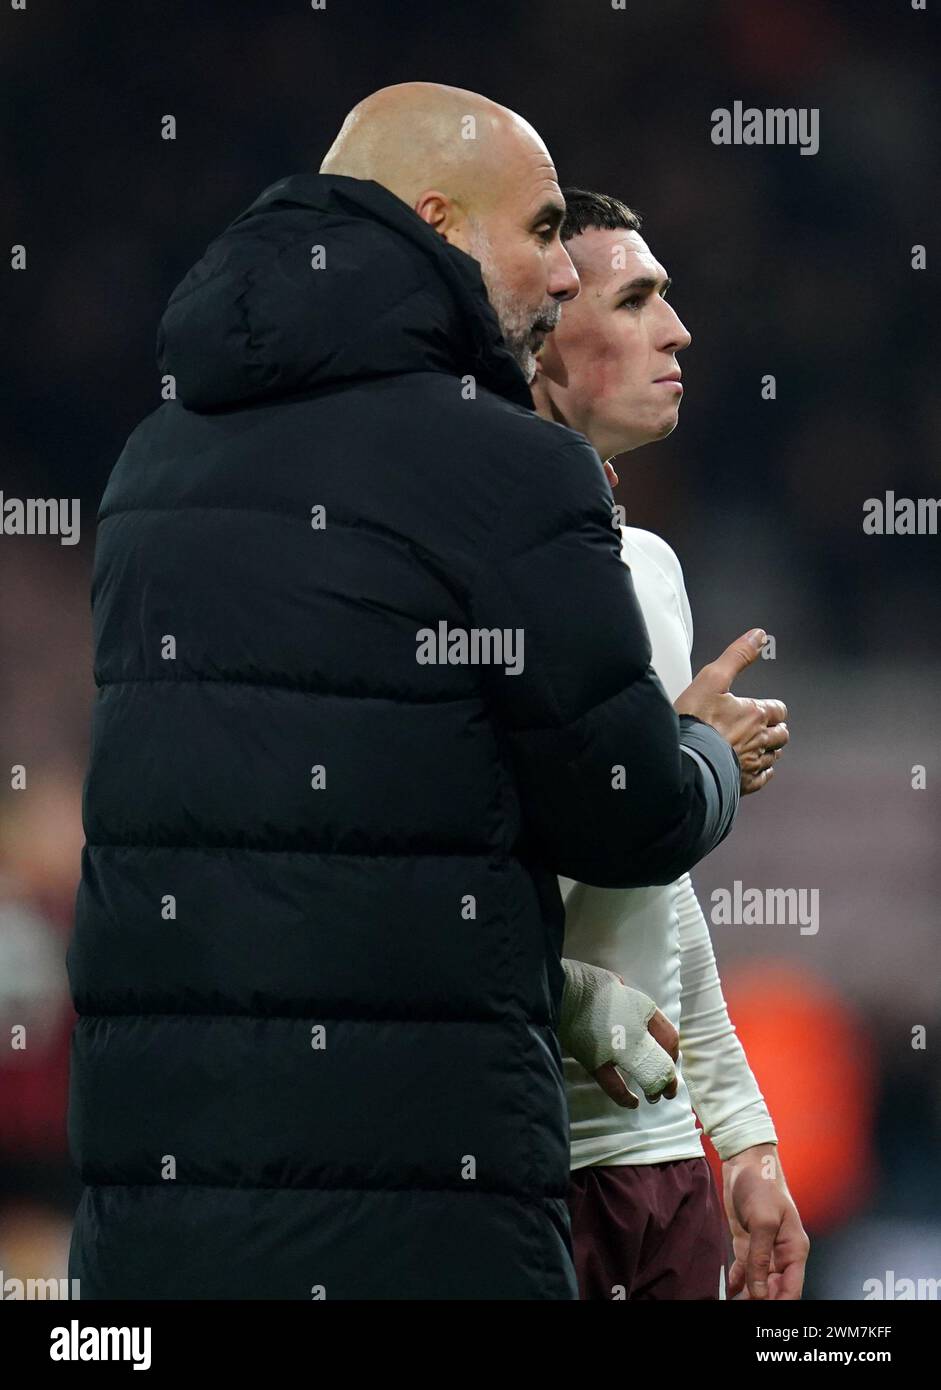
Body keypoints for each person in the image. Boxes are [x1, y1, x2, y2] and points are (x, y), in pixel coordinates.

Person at [67, 86, 764, 1300]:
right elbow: (626, 814)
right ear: (439, 221)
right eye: (545, 231)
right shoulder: (505, 471)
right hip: (418, 1212)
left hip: (153, 1220)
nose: (561, 277)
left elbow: (271, 851)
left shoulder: (151, 465)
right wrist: (696, 750)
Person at [531, 188, 809, 1301]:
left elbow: (662, 888)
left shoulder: (645, 567)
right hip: (521, 1162)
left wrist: (739, 1137)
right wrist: (686, 753)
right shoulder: (470, 581)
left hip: (658, 1166)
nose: (677, 328)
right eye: (636, 297)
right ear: (538, 331)